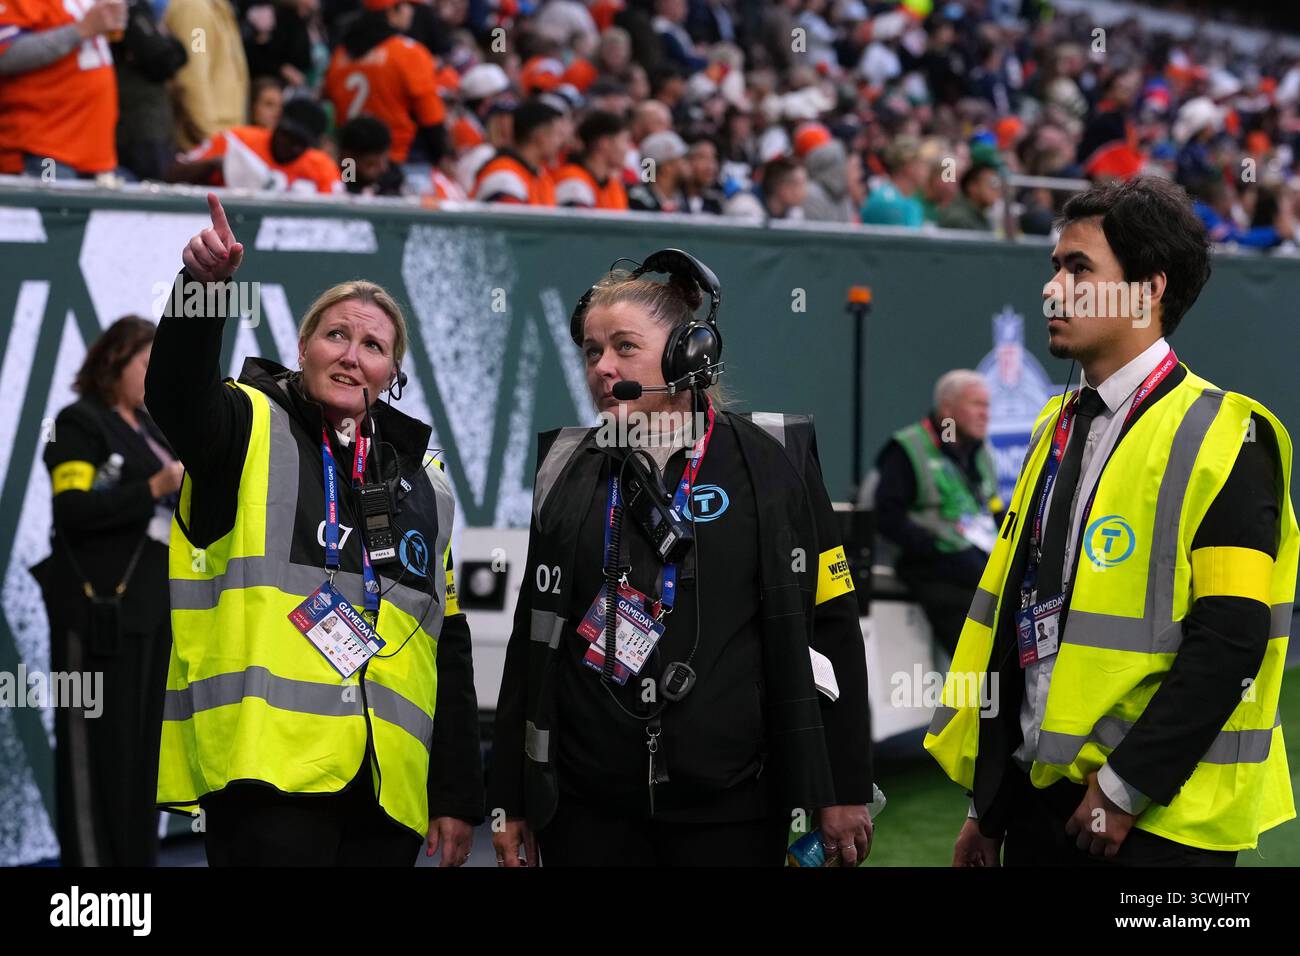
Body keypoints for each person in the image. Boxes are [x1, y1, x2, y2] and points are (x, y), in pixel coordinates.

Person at [927, 176, 1297, 867]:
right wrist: (992, 806)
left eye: (1078, 269)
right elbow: (1023, 618)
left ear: (1147, 290)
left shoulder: (1231, 436)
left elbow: (1231, 640)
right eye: (1054, 268)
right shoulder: (1056, 425)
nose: (1052, 290)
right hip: (1040, 808)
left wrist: (1125, 791)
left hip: (1157, 825)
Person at [489, 250, 873, 867]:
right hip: (588, 810)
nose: (602, 367)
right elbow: (530, 643)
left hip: (734, 808)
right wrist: (510, 796)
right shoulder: (565, 468)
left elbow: (831, 627)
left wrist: (844, 786)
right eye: (591, 351)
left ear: (687, 355)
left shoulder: (776, 460)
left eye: (623, 347)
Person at [147, 194, 484, 866]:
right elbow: (176, 396)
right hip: (268, 779)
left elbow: (446, 645)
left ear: (393, 375)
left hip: (387, 791)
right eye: (336, 335)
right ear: (303, 348)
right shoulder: (245, 424)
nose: (352, 356)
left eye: (373, 345)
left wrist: (455, 792)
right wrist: (202, 292)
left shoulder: (427, 481)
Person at [31, 316, 183, 866]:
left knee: (140, 756)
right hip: (95, 615)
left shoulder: (150, 425)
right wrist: (154, 486)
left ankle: (135, 879)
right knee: (93, 754)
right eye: (145, 362)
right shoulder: (79, 422)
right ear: (114, 362)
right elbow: (70, 509)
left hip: (151, 614)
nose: (152, 373)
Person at [871, 370, 1000, 658]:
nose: (985, 414)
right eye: (976, 405)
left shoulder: (980, 454)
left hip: (980, 566)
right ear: (947, 409)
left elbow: (994, 509)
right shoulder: (908, 448)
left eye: (988, 406)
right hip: (935, 572)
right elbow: (887, 516)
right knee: (981, 659)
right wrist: (933, 546)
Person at [0, 0, 123, 179]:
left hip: (96, 152)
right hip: (42, 149)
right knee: (51, 205)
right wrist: (81, 30)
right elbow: (6, 55)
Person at [322, 0, 448, 167]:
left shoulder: (340, 55)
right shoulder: (409, 52)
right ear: (392, 10)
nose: (412, 12)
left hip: (348, 163)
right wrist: (440, 158)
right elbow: (432, 121)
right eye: (408, 6)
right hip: (394, 161)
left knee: (347, 191)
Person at [167, 96, 342, 194]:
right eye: (288, 137)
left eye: (301, 144)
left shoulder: (323, 167)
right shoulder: (236, 141)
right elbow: (170, 175)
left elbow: (337, 217)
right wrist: (213, 165)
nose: (293, 147)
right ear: (277, 124)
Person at [164, 0, 249, 151]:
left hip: (225, 136)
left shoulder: (219, 7)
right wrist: (211, 137)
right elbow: (192, 77)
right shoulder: (193, 9)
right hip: (206, 142)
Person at [471, 97, 564, 205]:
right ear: (539, 135)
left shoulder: (540, 176)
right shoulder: (504, 175)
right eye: (558, 134)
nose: (561, 142)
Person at [554, 110, 630, 211]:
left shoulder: (614, 186)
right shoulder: (573, 181)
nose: (627, 148)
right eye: (624, 141)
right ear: (604, 143)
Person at [338, 115, 406, 196]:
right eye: (371, 164)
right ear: (348, 158)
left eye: (385, 160)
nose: (383, 168)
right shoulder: (340, 178)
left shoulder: (392, 178)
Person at [937, 161, 1000, 232]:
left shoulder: (978, 215)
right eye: (992, 184)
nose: (997, 190)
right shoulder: (959, 219)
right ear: (973, 187)